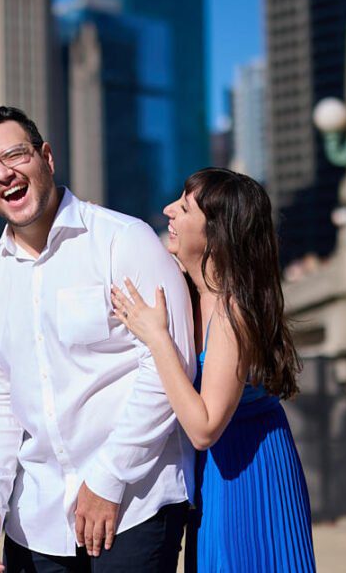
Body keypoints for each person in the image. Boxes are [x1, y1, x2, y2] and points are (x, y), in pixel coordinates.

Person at [0, 106, 196, 573]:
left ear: (46, 157)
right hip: (36, 519)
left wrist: (109, 476)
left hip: (135, 503)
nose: (2, 174)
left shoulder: (123, 240)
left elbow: (170, 365)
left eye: (14, 155)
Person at [110, 167, 316, 572]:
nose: (169, 210)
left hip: (247, 475)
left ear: (216, 235)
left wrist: (157, 338)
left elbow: (204, 428)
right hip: (217, 471)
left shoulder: (230, 312)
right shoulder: (188, 292)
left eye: (185, 208)